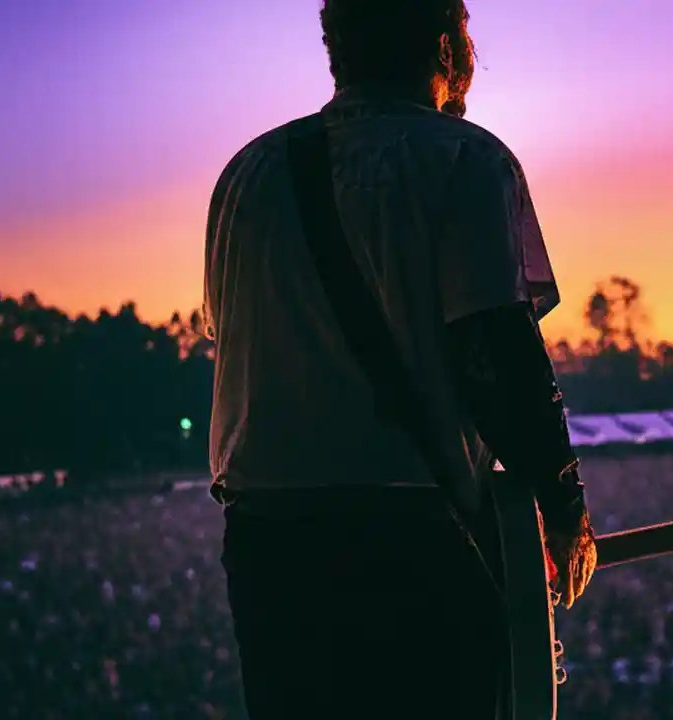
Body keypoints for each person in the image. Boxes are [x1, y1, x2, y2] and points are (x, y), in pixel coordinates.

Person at [202, 0, 597, 717]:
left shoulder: (245, 175)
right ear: (446, 48)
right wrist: (564, 506)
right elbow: (496, 355)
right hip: (412, 536)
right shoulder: (465, 159)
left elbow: (230, 340)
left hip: (269, 545)